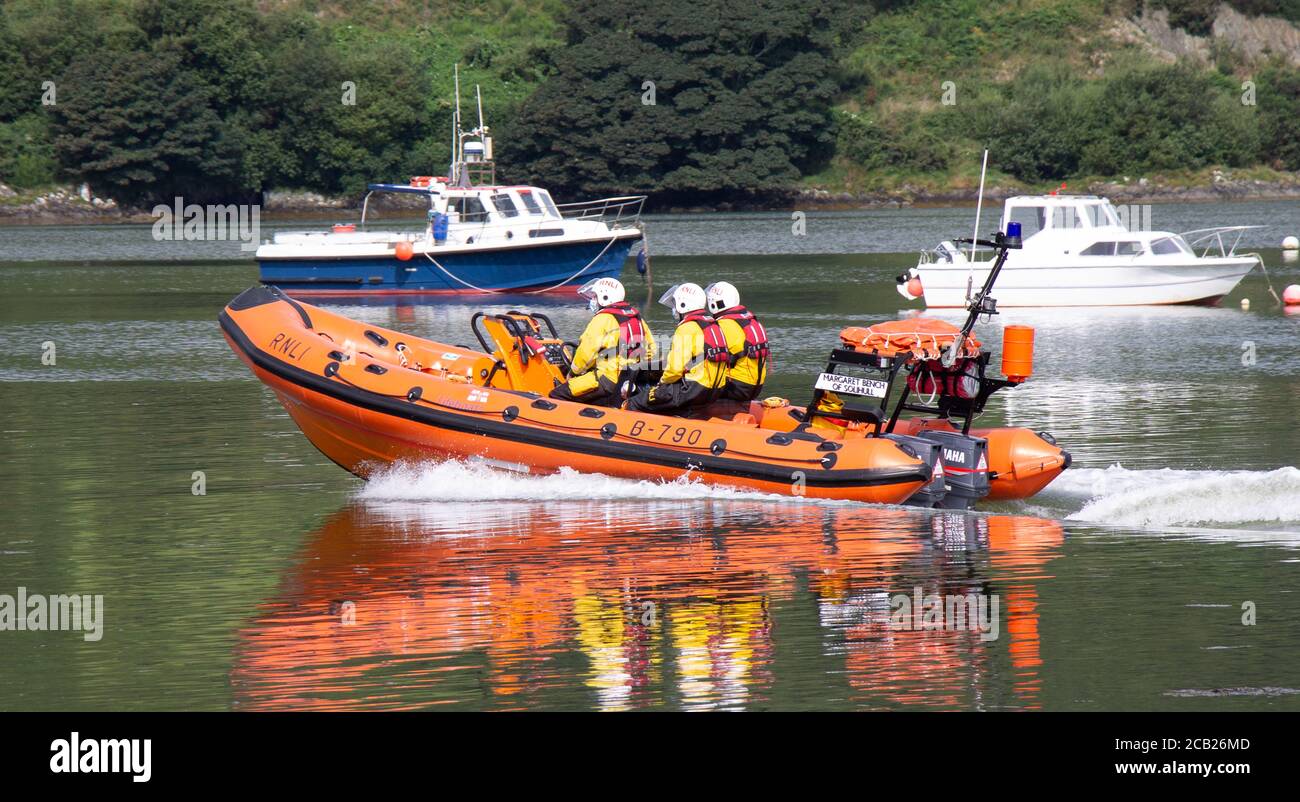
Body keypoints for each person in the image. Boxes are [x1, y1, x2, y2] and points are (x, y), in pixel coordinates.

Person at [550, 277, 655, 407]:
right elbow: (651, 349)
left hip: (607, 379)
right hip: (630, 380)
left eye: (595, 297)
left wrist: (572, 373)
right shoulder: (637, 318)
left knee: (557, 394)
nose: (593, 301)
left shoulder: (603, 319)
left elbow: (586, 353)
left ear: (605, 297)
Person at [626, 283, 729, 414]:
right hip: (715, 390)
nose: (673, 308)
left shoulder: (686, 328)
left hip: (693, 389)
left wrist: (661, 385)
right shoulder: (713, 324)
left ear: (683, 304)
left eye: (675, 304)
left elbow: (674, 369)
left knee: (636, 401)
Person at [705, 281, 769, 403]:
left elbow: (709, 357)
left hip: (736, 387)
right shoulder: (750, 321)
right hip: (755, 387)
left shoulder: (723, 325)